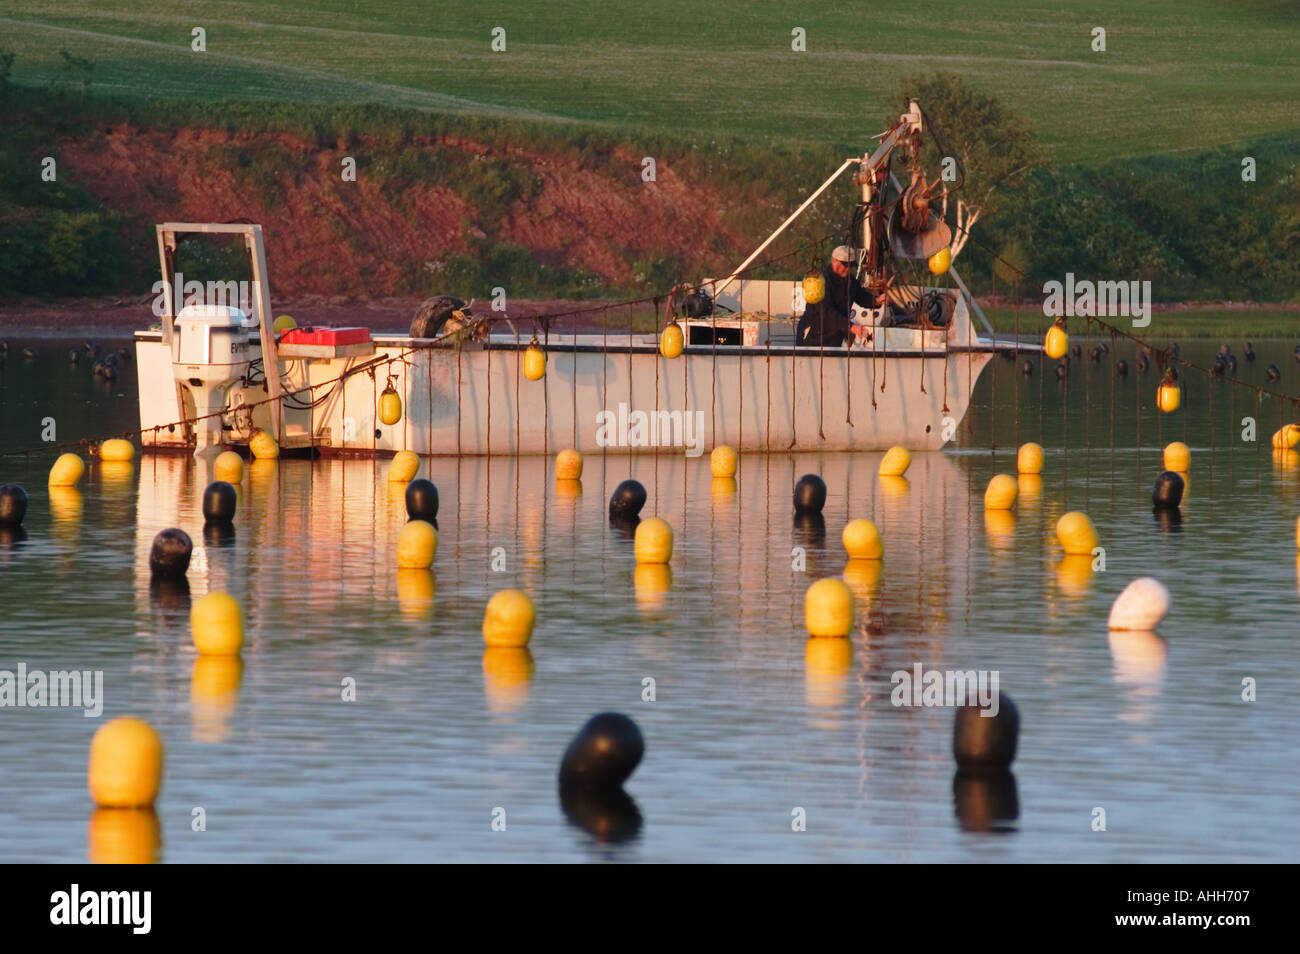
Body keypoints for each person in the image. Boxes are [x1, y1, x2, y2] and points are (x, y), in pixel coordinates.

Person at [796, 246, 882, 347]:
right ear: (834, 261)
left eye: (850, 265)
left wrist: (877, 301)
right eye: (845, 265)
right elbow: (826, 311)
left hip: (834, 337)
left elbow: (861, 296)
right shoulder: (820, 281)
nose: (848, 269)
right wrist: (851, 327)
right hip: (813, 335)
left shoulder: (851, 281)